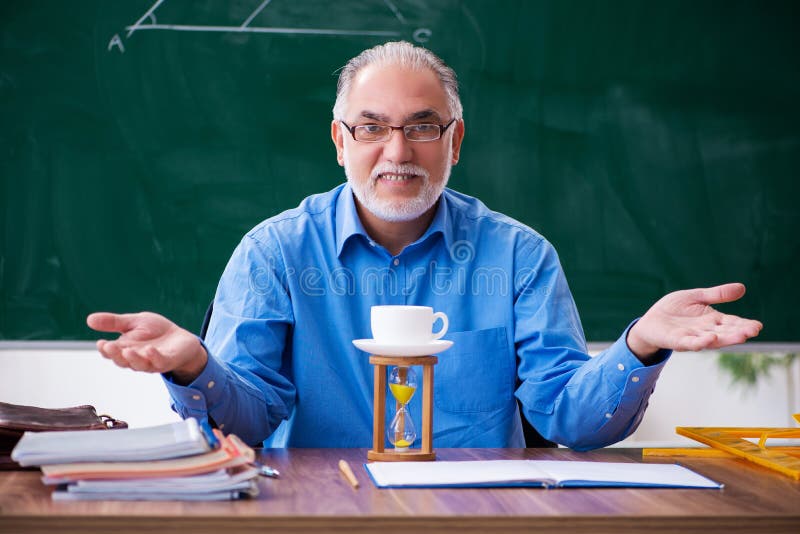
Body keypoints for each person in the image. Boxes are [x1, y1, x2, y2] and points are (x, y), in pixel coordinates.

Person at [87, 41, 762, 450]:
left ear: (456, 142)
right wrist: (192, 365)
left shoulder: (521, 257)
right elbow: (249, 420)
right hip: (320, 511)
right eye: (373, 128)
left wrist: (642, 342)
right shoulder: (275, 253)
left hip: (481, 515)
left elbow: (568, 418)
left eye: (423, 127)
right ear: (339, 141)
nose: (398, 151)